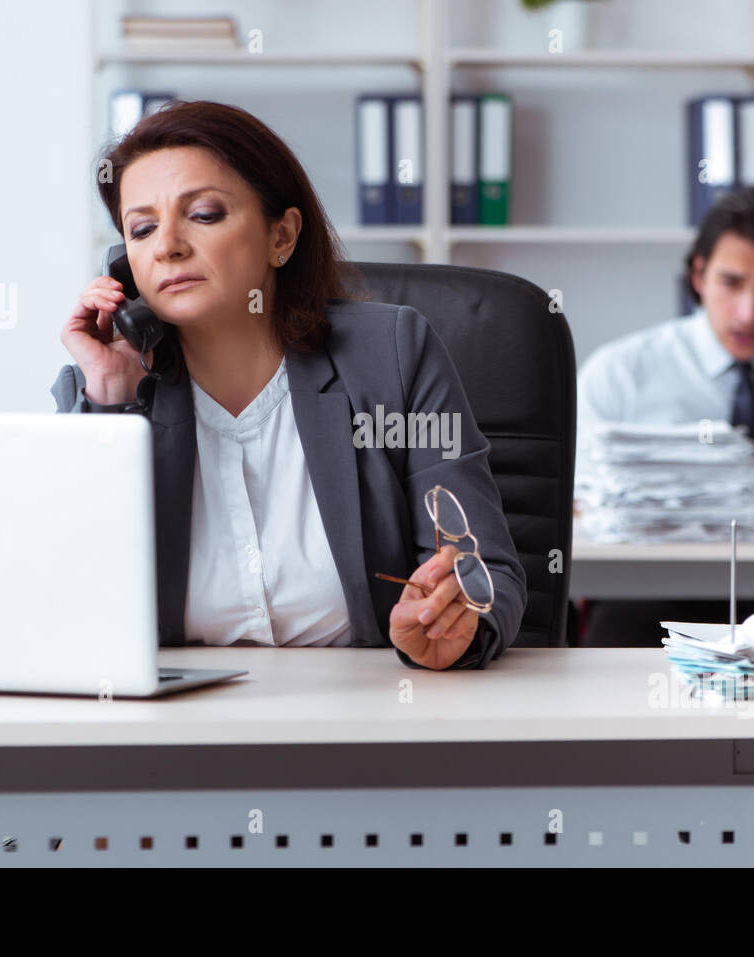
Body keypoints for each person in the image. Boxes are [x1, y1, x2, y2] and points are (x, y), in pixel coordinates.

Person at [51, 100, 526, 670]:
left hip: (369, 717)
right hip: (174, 729)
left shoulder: (392, 356)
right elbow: (72, 605)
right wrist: (112, 400)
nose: (167, 246)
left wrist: (453, 627)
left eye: (203, 214)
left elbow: (485, 572)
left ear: (282, 235)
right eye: (142, 228)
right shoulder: (99, 390)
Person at [575, 187, 754, 646]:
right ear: (698, 275)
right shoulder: (619, 373)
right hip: (654, 594)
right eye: (731, 283)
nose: (748, 313)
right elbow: (580, 510)